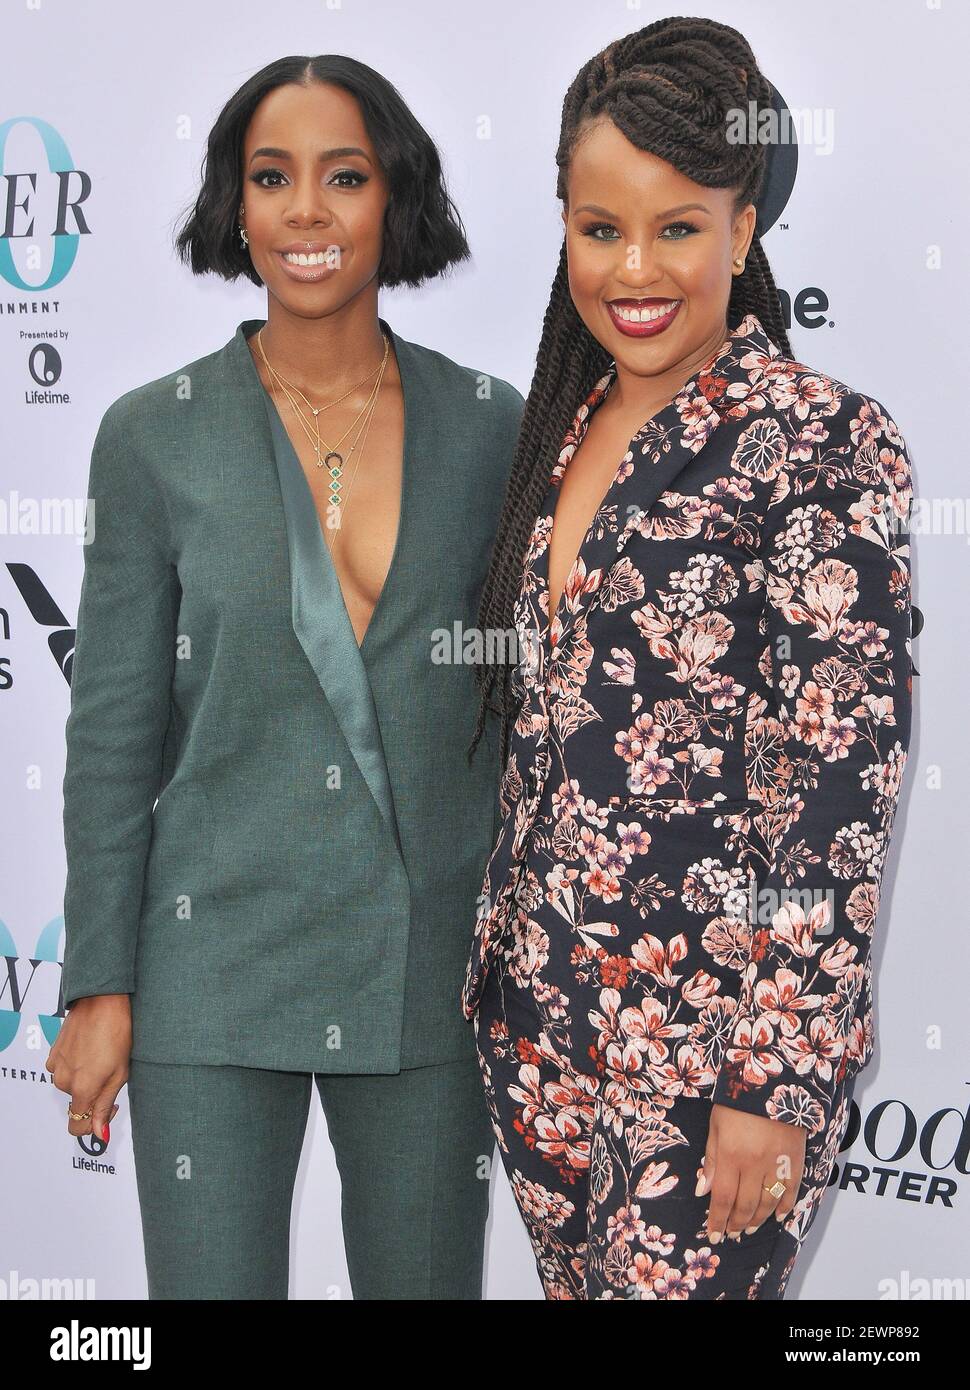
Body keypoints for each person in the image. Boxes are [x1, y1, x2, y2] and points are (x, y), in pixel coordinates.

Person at [48, 54, 523, 1300]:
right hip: (212, 967)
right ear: (237, 205)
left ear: (395, 199)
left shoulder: (493, 426)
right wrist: (98, 981)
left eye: (345, 176)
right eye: (273, 178)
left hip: (426, 974)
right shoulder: (153, 435)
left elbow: (533, 716)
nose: (306, 211)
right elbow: (111, 736)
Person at [464, 17, 914, 1300]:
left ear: (745, 227)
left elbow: (839, 781)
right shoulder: (565, 422)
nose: (634, 268)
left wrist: (774, 1080)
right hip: (539, 1009)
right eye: (600, 228)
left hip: (710, 1046)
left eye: (677, 225)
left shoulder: (823, 438)